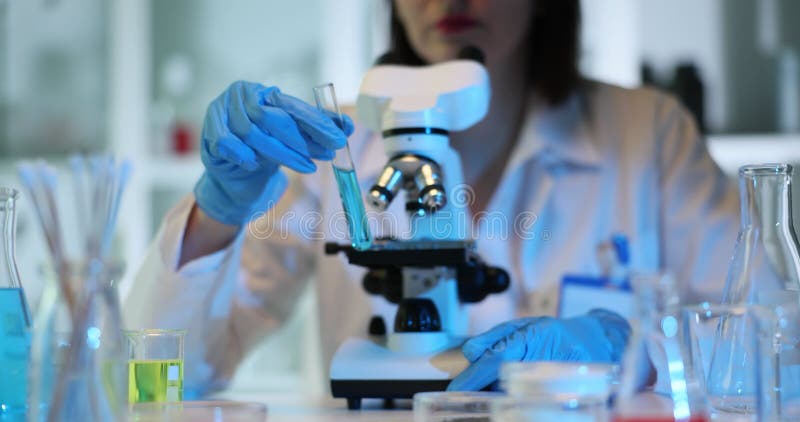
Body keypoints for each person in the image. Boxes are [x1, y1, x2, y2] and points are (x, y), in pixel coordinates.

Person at [125, 0, 739, 395]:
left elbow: (771, 347)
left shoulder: (648, 135)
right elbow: (155, 382)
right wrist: (218, 213)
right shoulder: (331, 146)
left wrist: (635, 351)